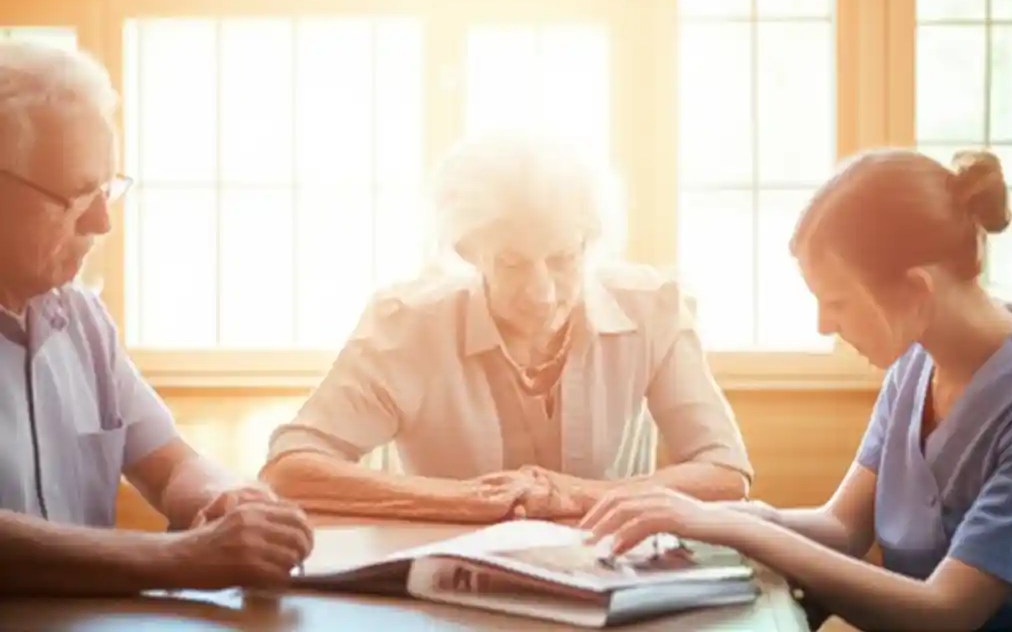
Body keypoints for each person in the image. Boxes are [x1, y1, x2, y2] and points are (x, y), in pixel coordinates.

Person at [582, 149, 1012, 630]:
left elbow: (946, 612)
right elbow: (840, 526)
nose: (823, 325)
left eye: (837, 302)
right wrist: (692, 513)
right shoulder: (915, 366)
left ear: (916, 288)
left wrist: (727, 524)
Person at [261, 133, 752, 523]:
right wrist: (466, 501)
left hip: (608, 578)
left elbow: (725, 473)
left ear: (590, 242)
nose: (542, 292)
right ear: (468, 251)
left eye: (562, 259)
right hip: (440, 587)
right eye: (513, 263)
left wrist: (573, 494)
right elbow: (291, 469)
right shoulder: (407, 325)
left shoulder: (653, 310)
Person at [0, 40, 312, 595]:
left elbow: (168, 464)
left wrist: (226, 498)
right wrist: (179, 556)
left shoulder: (82, 319)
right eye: (77, 194)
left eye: (106, 190)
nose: (101, 223)